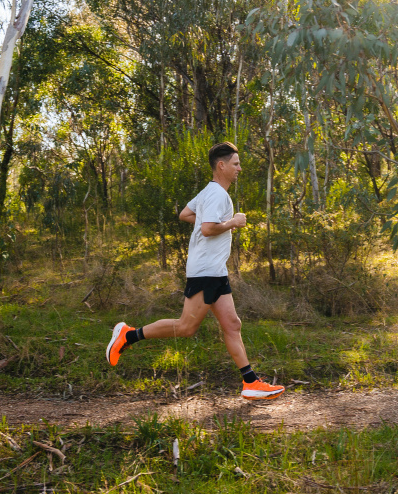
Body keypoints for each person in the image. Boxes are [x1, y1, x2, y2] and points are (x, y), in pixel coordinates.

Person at [105, 142, 285, 400]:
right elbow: (207, 228)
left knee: (232, 325)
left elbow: (185, 214)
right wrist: (233, 222)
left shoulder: (208, 192)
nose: (239, 168)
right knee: (187, 326)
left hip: (216, 271)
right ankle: (128, 335)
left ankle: (250, 382)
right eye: (235, 164)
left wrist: (215, 222)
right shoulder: (217, 195)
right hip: (206, 272)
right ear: (221, 166)